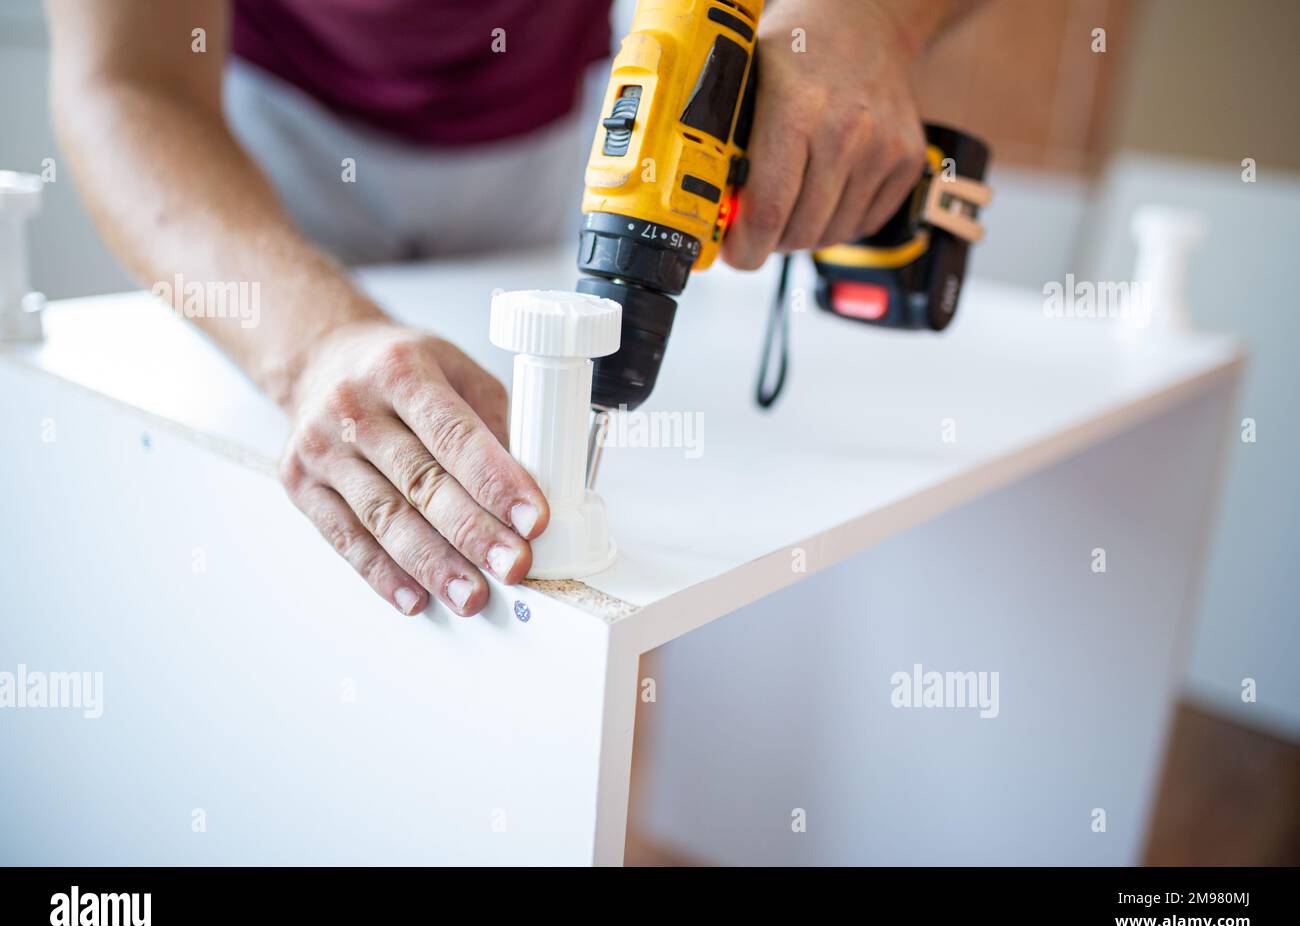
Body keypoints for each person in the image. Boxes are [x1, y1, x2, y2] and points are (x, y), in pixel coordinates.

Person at [45, 0, 979, 618]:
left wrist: (873, 18)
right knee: (285, 558)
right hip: (262, 150)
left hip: (543, 139)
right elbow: (123, 80)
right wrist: (315, 341)